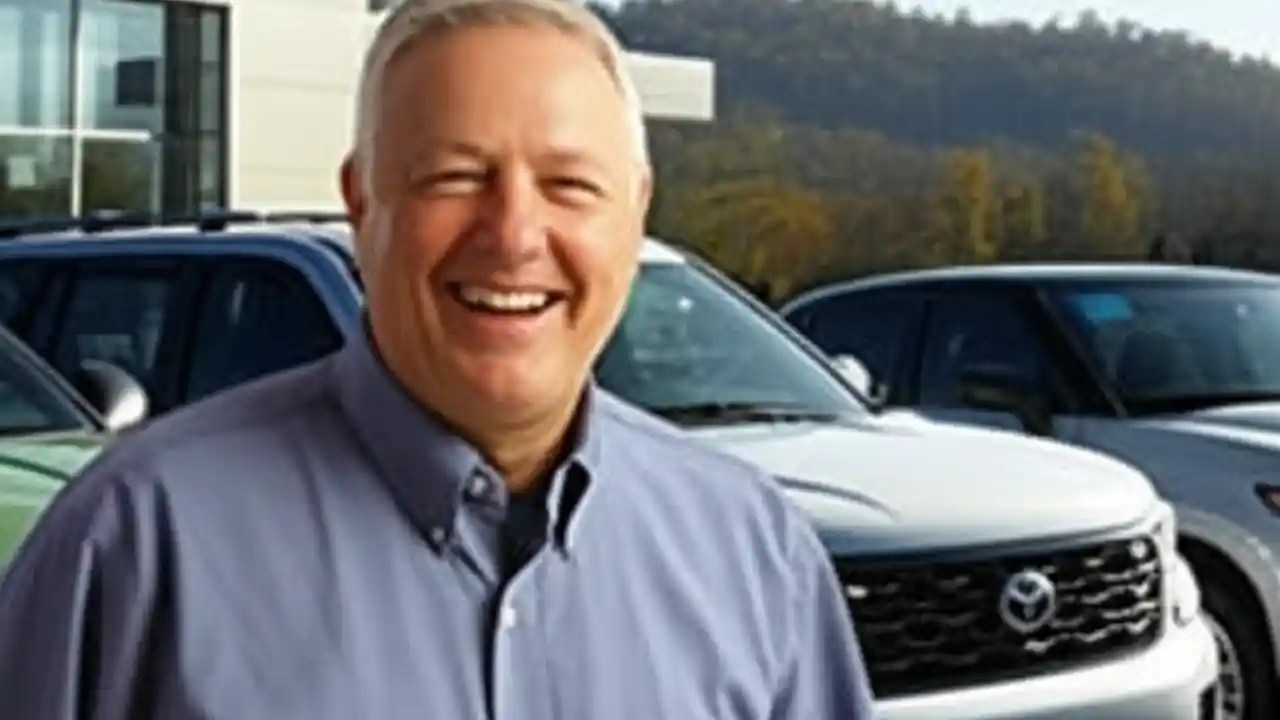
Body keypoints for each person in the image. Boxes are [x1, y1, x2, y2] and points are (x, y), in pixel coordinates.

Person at [0, 0, 875, 717]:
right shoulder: (138, 543)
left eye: (570, 185)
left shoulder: (756, 555)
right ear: (361, 199)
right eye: (455, 177)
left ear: (636, 210)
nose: (513, 236)